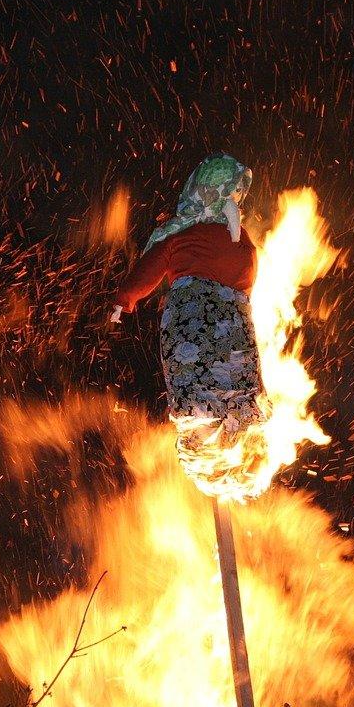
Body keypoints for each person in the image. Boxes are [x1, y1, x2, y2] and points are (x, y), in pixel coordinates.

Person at [110, 153, 267, 494]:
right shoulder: (243, 241)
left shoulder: (182, 236)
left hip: (192, 319)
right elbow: (248, 280)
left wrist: (125, 299)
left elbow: (147, 272)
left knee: (195, 378)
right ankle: (239, 434)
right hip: (234, 323)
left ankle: (205, 441)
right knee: (235, 378)